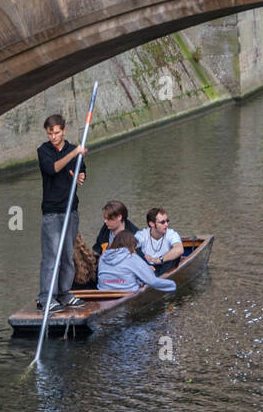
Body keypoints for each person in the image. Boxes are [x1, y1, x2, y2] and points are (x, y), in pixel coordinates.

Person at [36, 113, 87, 313]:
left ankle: (64, 293)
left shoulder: (74, 149)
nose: (53, 137)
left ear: (63, 131)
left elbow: (81, 171)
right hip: (52, 212)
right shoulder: (44, 151)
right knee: (51, 256)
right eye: (50, 134)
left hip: (70, 209)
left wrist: (81, 176)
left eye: (57, 133)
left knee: (67, 255)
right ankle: (45, 297)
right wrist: (74, 153)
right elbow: (54, 169)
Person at [97, 231, 177, 293]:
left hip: (103, 294)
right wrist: (174, 285)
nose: (134, 250)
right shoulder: (131, 257)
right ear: (131, 246)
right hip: (126, 294)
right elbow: (152, 281)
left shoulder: (102, 257)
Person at [135, 207, 184, 274]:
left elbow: (179, 249)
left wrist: (158, 260)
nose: (166, 224)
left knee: (175, 257)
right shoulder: (142, 235)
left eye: (167, 221)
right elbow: (127, 249)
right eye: (162, 222)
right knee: (134, 250)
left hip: (165, 266)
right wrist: (144, 265)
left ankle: (161, 280)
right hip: (148, 267)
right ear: (152, 224)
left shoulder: (171, 234)